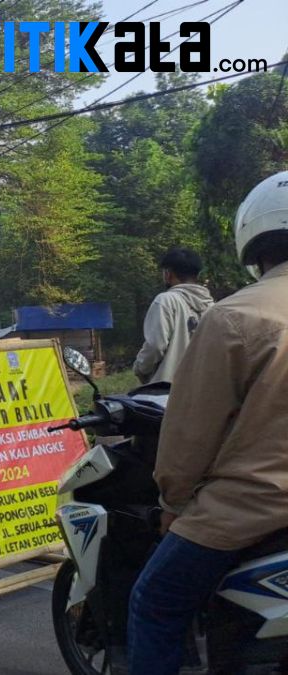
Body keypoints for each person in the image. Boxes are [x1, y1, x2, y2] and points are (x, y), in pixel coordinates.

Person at [128, 172, 288, 675]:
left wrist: (172, 503)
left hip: (253, 505)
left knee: (154, 600)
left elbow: (189, 434)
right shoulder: (211, 304)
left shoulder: (236, 314)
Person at [132, 248, 214, 384]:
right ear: (197, 274)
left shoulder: (165, 300)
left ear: (168, 274)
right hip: (203, 390)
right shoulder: (212, 306)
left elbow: (155, 346)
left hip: (167, 392)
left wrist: (140, 368)